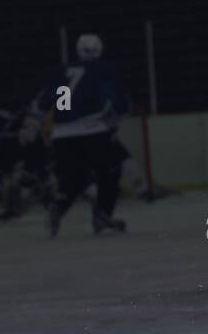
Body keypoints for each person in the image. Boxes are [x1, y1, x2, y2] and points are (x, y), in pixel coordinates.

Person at [24, 33, 130, 236]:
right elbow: (119, 102)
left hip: (61, 134)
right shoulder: (106, 69)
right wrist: (117, 115)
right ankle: (102, 214)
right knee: (111, 170)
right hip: (93, 130)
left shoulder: (61, 70)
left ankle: (58, 207)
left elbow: (43, 103)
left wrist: (31, 123)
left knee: (75, 178)